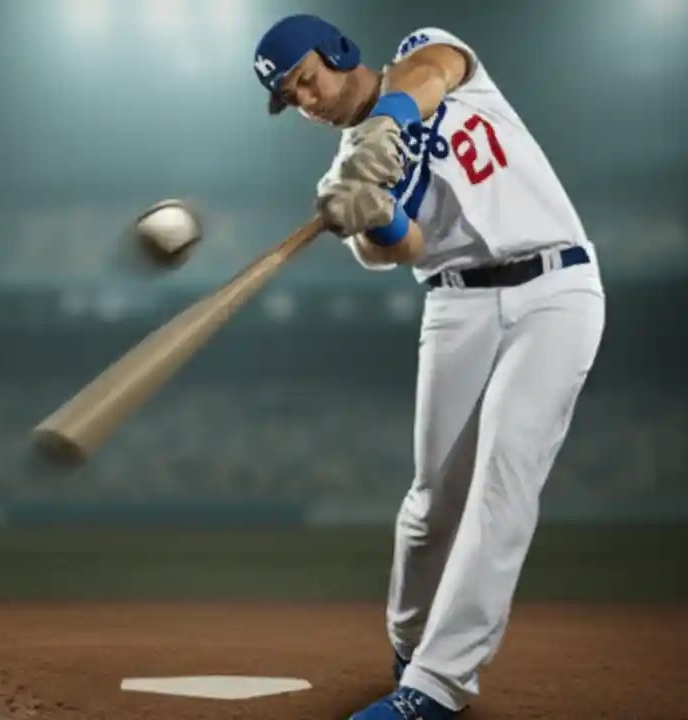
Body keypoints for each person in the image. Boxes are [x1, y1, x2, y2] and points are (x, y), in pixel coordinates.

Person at [253, 15, 606, 719]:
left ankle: (436, 687)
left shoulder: (422, 52)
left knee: (503, 480)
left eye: (306, 80)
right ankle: (411, 645)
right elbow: (404, 249)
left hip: (556, 289)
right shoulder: (343, 176)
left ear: (338, 51)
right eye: (291, 98)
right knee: (432, 503)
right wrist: (374, 215)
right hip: (457, 305)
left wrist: (383, 129)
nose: (306, 102)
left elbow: (434, 73)